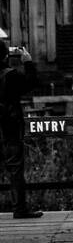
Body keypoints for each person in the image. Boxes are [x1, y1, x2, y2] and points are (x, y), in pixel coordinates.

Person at [0, 39, 41, 218]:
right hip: (9, 127)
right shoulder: (10, 75)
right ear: (6, 56)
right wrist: (28, 62)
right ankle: (20, 209)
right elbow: (31, 83)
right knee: (15, 168)